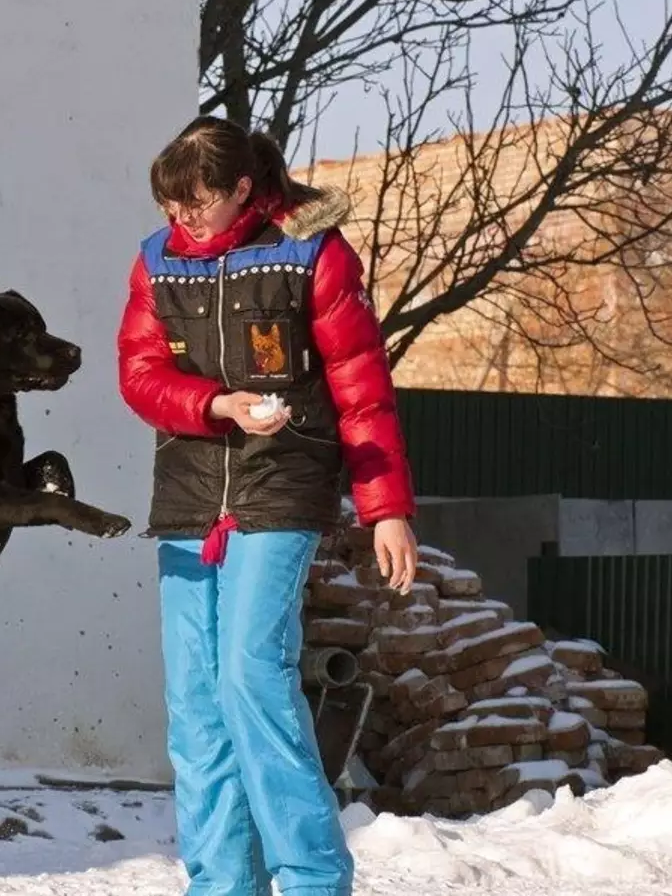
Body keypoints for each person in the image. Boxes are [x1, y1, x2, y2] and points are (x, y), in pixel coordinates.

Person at [116, 114, 418, 896]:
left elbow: (361, 385)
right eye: (169, 204)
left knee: (252, 672)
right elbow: (139, 375)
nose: (181, 219)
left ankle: (315, 876)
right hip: (189, 493)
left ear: (243, 189)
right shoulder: (156, 263)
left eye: (197, 202)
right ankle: (222, 883)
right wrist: (216, 404)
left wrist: (386, 506)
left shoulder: (312, 253)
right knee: (196, 706)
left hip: (282, 485)